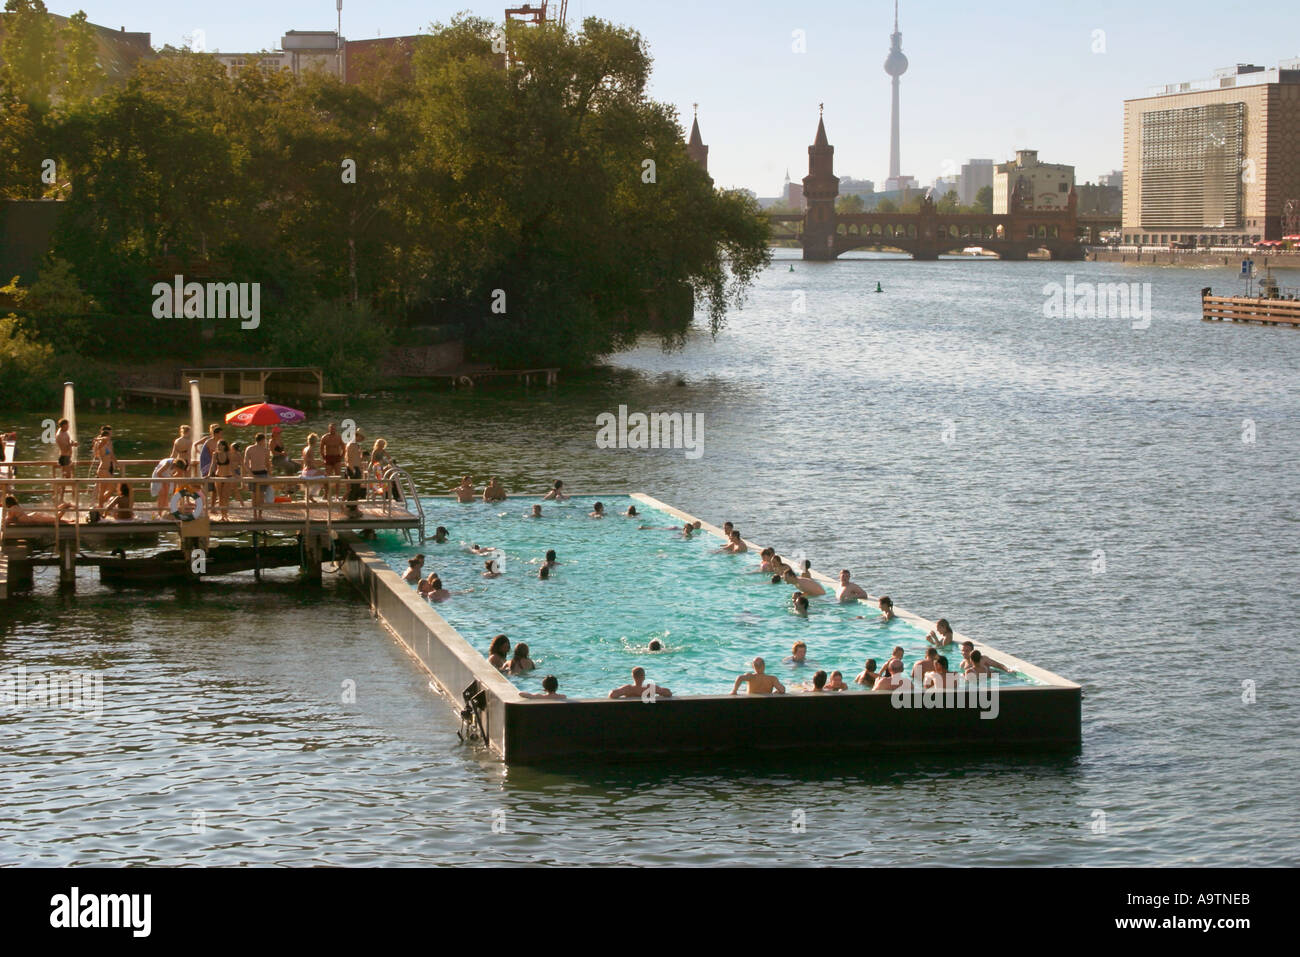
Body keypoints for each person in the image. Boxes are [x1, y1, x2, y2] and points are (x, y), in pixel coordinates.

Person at [243, 433, 271, 516]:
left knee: (254, 495)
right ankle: (259, 514)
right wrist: (270, 474)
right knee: (260, 495)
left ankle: (255, 514)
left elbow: (245, 463)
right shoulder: (265, 450)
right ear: (262, 440)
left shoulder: (249, 449)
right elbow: (268, 464)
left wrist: (250, 473)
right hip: (262, 473)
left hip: (254, 473)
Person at [3, 495, 73, 525]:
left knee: (55, 519)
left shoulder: (12, 509)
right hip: (33, 516)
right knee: (53, 519)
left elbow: (9, 519)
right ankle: (67, 519)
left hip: (34, 518)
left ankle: (65, 506)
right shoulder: (15, 507)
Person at [53, 418, 77, 503]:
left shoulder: (64, 432)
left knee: (67, 479)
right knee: (67, 479)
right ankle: (58, 495)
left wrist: (71, 442)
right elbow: (65, 448)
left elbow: (68, 441)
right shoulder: (60, 435)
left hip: (67, 458)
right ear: (63, 426)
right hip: (64, 458)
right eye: (67, 425)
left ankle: (60, 497)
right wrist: (72, 444)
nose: (68, 427)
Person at [212, 440, 236, 520]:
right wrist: (209, 475)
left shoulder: (228, 454)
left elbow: (232, 465)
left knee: (225, 496)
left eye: (220, 445)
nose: (219, 447)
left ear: (224, 446)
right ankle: (222, 515)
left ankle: (226, 514)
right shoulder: (215, 454)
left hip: (228, 476)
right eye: (218, 445)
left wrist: (235, 475)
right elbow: (212, 465)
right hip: (218, 476)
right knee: (220, 497)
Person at [344, 427, 366, 503]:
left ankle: (353, 506)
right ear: (357, 435)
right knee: (353, 489)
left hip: (356, 468)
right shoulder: (351, 444)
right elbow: (348, 459)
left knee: (357, 489)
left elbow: (357, 459)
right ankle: (350, 506)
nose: (361, 439)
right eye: (361, 437)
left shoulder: (356, 445)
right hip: (352, 468)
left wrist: (360, 467)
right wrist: (352, 470)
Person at [299, 434, 324, 502]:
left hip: (304, 470)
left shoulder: (305, 449)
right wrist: (318, 470)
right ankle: (311, 495)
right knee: (324, 477)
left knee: (320, 476)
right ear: (315, 441)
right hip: (309, 471)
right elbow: (311, 464)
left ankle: (309, 495)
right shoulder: (311, 450)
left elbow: (306, 462)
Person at [320, 423, 345, 489]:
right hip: (328, 457)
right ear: (329, 429)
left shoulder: (339, 437)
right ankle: (326, 493)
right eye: (331, 428)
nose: (332, 430)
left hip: (337, 457)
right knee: (327, 477)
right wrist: (324, 458)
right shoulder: (324, 437)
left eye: (334, 428)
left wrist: (341, 458)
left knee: (338, 477)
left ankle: (337, 495)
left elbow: (344, 449)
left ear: (336, 429)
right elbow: (321, 449)